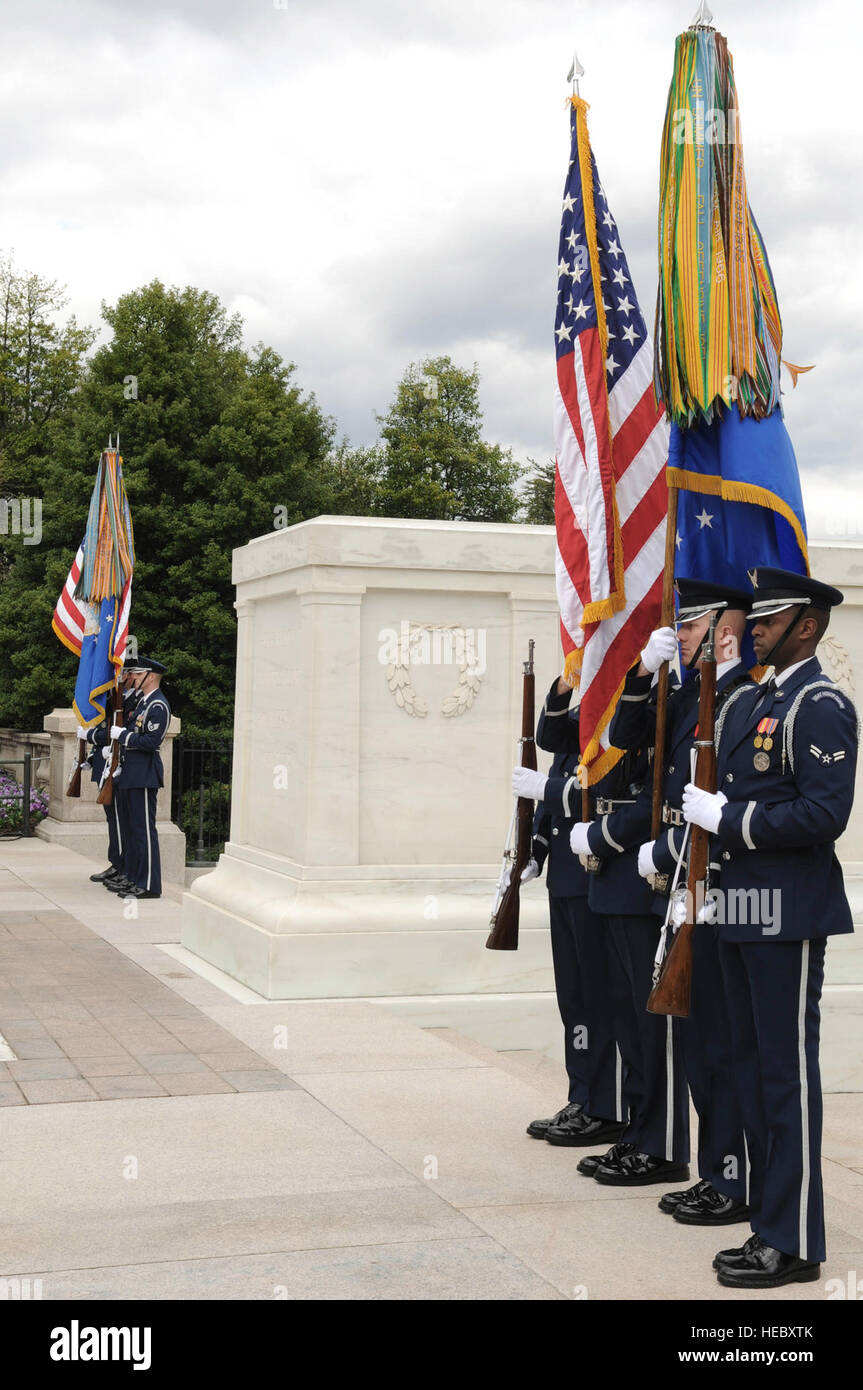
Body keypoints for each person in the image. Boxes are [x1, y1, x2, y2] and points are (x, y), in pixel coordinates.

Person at [682, 566, 858, 1288]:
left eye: (767, 619)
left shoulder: (818, 705)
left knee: (785, 1077)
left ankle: (793, 1242)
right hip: (737, 909)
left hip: (785, 916)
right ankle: (765, 1219)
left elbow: (823, 816)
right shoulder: (752, 699)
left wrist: (733, 820)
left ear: (805, 625)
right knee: (749, 1070)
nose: (751, 628)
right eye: (753, 619)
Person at [610, 578, 752, 1227]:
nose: (682, 637)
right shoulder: (689, 693)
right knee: (697, 1039)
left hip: (718, 884)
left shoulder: (737, 697)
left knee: (721, 1043)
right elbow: (625, 729)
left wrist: (665, 851)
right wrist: (643, 668)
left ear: (724, 627)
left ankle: (732, 1178)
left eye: (690, 628)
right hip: (684, 882)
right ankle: (715, 1171)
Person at [515, 678, 629, 1147]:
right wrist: (535, 851)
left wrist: (548, 789)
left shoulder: (619, 715)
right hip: (565, 874)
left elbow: (594, 784)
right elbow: (554, 752)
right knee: (574, 999)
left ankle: (609, 1105)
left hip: (596, 871)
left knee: (602, 998)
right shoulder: (586, 712)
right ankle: (583, 1094)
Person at [109, 656, 171, 900]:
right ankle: (134, 877)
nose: (133, 677)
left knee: (144, 831)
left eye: (138, 673)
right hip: (132, 772)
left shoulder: (158, 706)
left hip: (144, 774)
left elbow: (151, 741)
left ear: (151, 676)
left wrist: (123, 736)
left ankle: (148, 884)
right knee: (133, 830)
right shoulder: (144, 704)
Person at [82, 665, 140, 889]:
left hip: (117, 765)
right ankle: (116, 862)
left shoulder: (132, 701)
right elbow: (105, 725)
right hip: (105, 762)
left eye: (124, 673)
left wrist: (90, 736)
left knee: (119, 820)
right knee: (112, 818)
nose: (122, 677)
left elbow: (117, 732)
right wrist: (92, 753)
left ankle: (122, 865)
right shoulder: (112, 697)